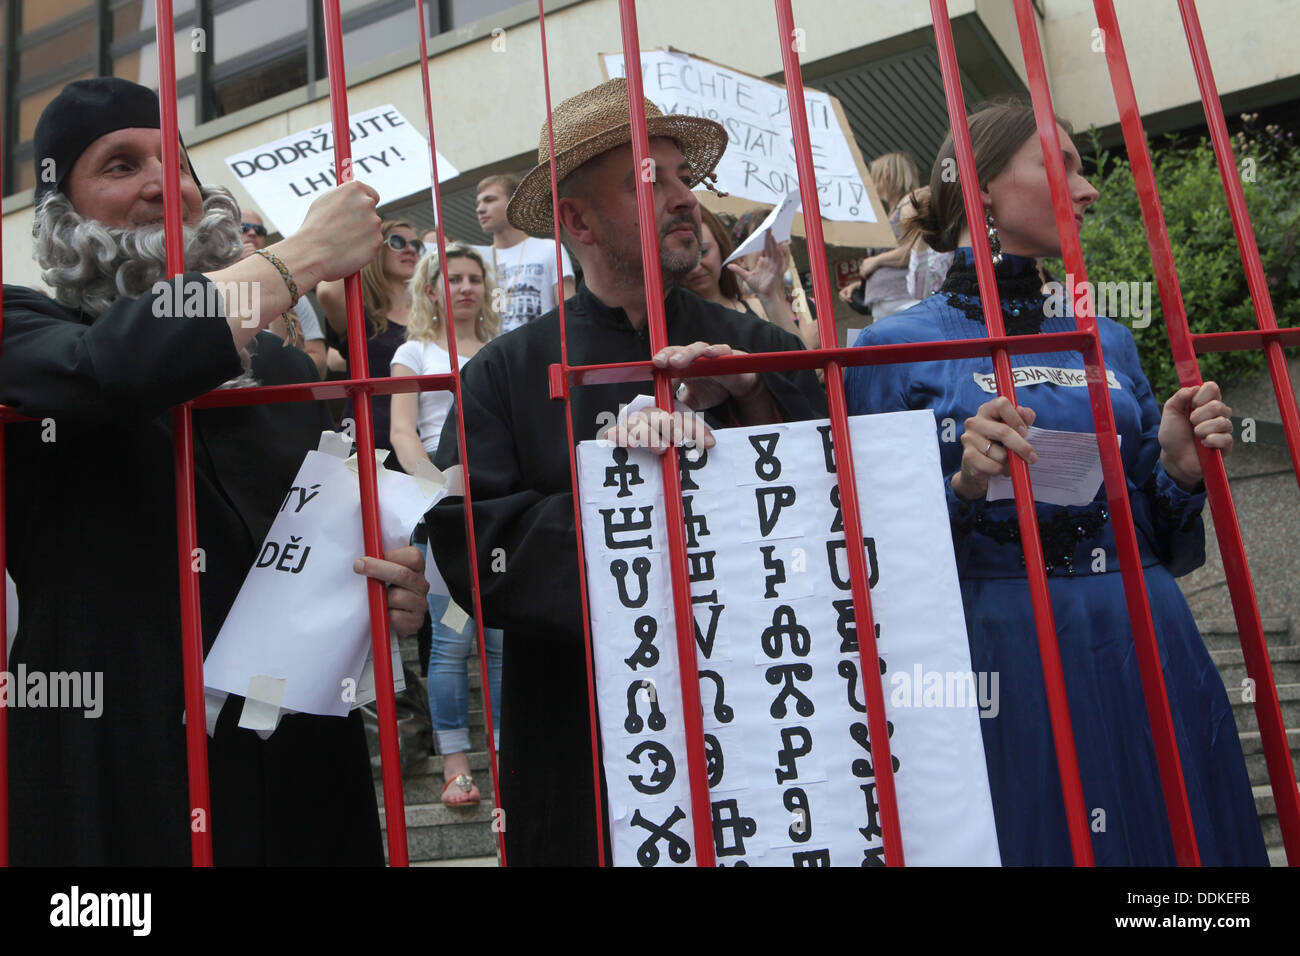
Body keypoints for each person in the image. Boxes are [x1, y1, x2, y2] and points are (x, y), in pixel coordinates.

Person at [1, 78, 434, 865]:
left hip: (295, 759)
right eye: (121, 164)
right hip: (118, 766)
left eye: (177, 162)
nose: (164, 186)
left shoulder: (277, 364)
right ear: (62, 211)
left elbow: (323, 549)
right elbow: (116, 368)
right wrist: (299, 255)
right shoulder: (22, 330)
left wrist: (384, 594)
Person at [844, 102, 1268, 866]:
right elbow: (874, 563)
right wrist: (965, 484)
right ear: (980, 189)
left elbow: (1163, 540)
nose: (1089, 189)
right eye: (1060, 164)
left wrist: (1175, 468)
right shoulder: (886, 349)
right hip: (1000, 654)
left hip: (1144, 628)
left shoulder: (1105, 334)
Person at [426, 78, 828, 865]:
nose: (684, 198)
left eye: (685, 178)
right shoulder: (504, 372)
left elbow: (835, 509)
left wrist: (748, 406)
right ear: (575, 219)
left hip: (758, 716)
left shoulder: (759, 351)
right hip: (583, 743)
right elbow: (474, 548)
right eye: (652, 179)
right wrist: (623, 490)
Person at [389, 244, 504, 805]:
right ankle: (455, 762)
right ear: (430, 289)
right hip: (442, 511)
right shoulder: (412, 351)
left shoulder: (503, 349)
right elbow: (401, 433)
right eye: (451, 278)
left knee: (505, 639)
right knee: (453, 641)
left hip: (501, 505)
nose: (463, 287)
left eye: (473, 278)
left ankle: (508, 760)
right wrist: (437, 488)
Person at [317, 220, 422, 456]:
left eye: (416, 244)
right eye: (397, 242)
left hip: (418, 442)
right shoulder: (359, 313)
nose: (410, 249)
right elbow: (326, 291)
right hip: (362, 442)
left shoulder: (432, 316)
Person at [682, 205, 820, 351]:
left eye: (779, 237)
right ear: (740, 258)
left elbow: (806, 368)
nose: (774, 246)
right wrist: (809, 345)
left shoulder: (789, 304)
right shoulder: (757, 311)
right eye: (761, 241)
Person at [472, 172, 575, 333]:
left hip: (544, 347)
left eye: (489, 200)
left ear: (513, 203)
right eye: (477, 203)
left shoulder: (549, 249)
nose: (480, 209)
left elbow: (569, 309)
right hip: (495, 352)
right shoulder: (478, 259)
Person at [238, 208, 328, 378]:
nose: (251, 233)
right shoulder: (207, 282)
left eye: (259, 230)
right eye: (244, 227)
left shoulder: (290, 288)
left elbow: (320, 364)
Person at [840, 152, 921, 320]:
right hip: (891, 303)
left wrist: (875, 261)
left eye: (874, 175)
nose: (871, 181)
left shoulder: (909, 203)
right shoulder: (894, 212)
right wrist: (862, 285)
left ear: (887, 173)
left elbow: (914, 249)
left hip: (902, 301)